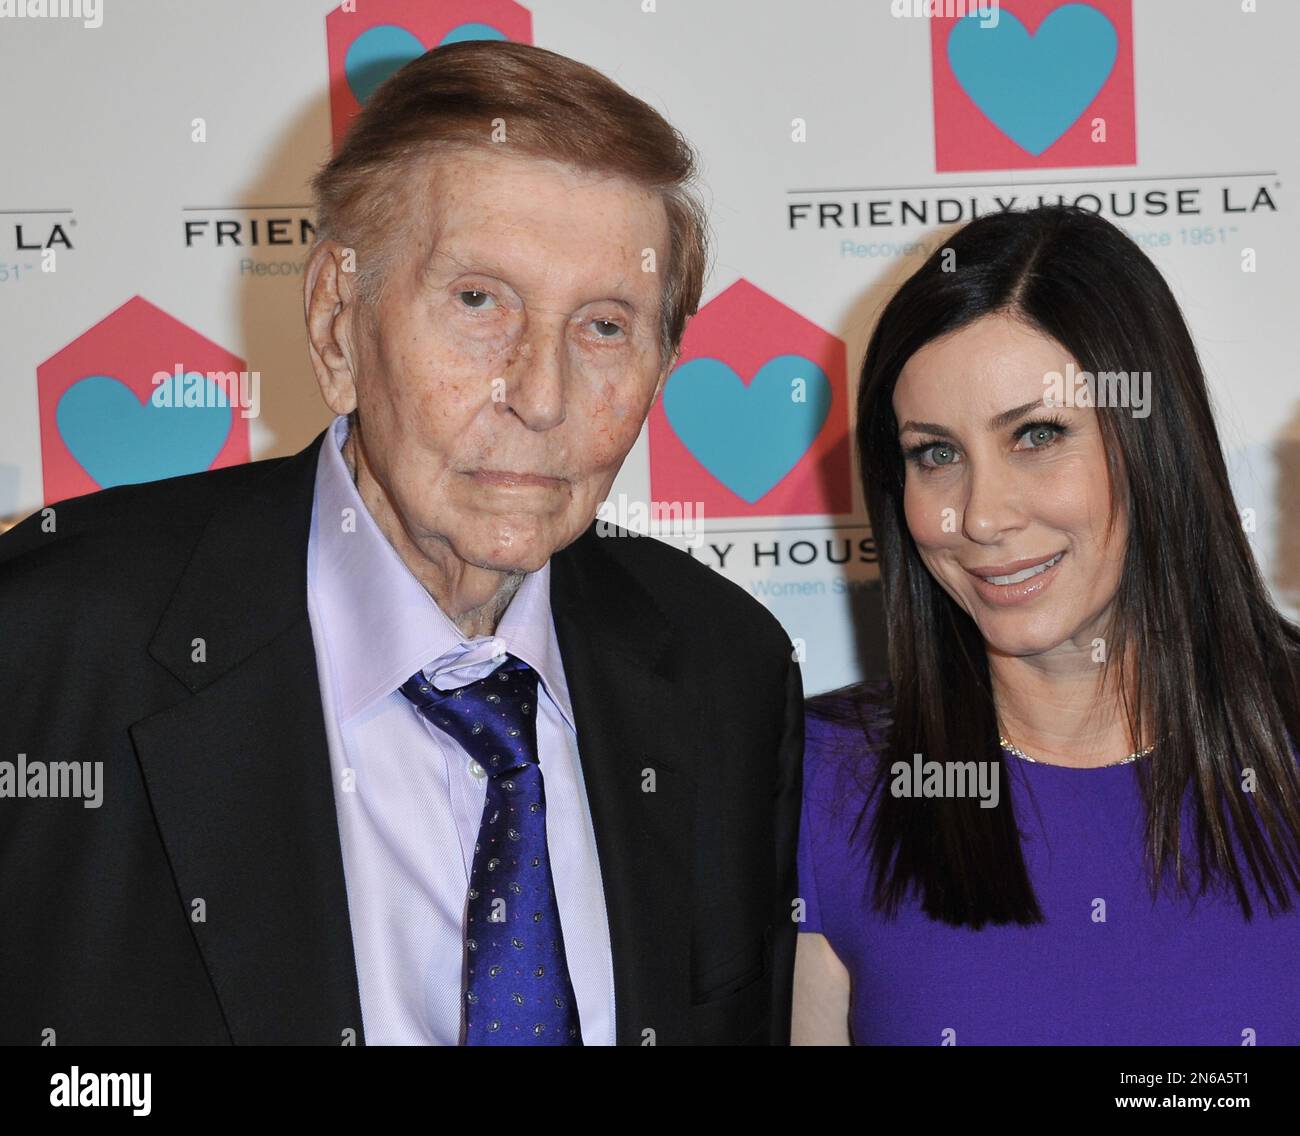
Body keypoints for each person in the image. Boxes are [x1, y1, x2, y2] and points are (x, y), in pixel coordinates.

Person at [0, 41, 802, 1046]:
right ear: (338, 321)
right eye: (477, 301)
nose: (540, 395)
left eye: (604, 325)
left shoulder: (725, 667)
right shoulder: (49, 643)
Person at [792, 204, 1300, 1045]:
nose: (981, 516)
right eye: (935, 453)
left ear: (1151, 443)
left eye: (1037, 434)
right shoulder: (826, 782)